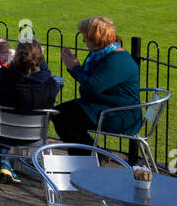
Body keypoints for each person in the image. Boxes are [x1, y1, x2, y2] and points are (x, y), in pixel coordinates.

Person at [0, 38, 58, 182]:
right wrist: (40, 58)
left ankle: (1, 161)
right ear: (40, 58)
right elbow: (43, 75)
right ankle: (4, 163)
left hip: (1, 134)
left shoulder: (3, 78)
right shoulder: (51, 84)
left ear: (16, 58)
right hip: (35, 137)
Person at [53, 16, 140, 155]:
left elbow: (93, 85)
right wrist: (74, 67)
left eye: (85, 37)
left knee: (64, 118)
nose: (82, 40)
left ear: (96, 38)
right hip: (100, 105)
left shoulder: (117, 60)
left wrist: (74, 68)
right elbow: (90, 82)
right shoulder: (100, 55)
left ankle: (88, 159)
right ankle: (94, 155)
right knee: (59, 114)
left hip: (119, 115)